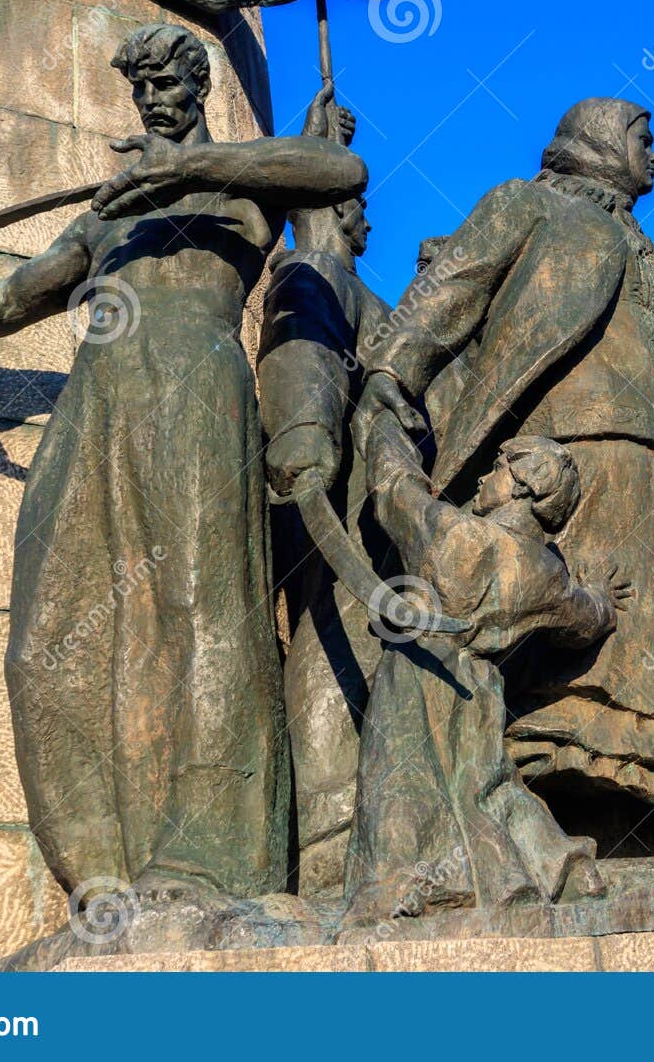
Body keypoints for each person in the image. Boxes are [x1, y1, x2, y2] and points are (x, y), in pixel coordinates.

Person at [0, 23, 368, 904]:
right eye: (141, 91)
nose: (153, 102)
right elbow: (3, 303)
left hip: (195, 387)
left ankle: (214, 861)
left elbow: (339, 172)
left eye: (166, 86)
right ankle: (96, 868)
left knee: (204, 614)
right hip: (94, 405)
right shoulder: (108, 213)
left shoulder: (241, 185)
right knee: (45, 640)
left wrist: (193, 168)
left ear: (198, 86)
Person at [352, 98, 654, 851]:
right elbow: (449, 289)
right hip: (576, 453)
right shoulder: (529, 204)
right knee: (581, 657)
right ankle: (554, 803)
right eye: (644, 139)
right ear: (601, 139)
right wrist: (390, 374)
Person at [343, 413, 628, 922]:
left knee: (403, 785)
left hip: (417, 672)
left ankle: (411, 886)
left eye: (496, 468)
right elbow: (586, 619)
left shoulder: (454, 533)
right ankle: (549, 870)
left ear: (522, 486)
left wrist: (382, 419)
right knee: (481, 786)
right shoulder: (547, 572)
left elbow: (393, 487)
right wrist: (604, 600)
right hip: (479, 689)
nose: (481, 478)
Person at [253, 85, 393, 895]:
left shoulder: (348, 284)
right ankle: (327, 854)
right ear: (340, 210)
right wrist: (307, 450)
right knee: (331, 665)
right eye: (360, 205)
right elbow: (303, 396)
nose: (370, 221)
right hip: (341, 524)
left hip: (370, 524)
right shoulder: (313, 273)